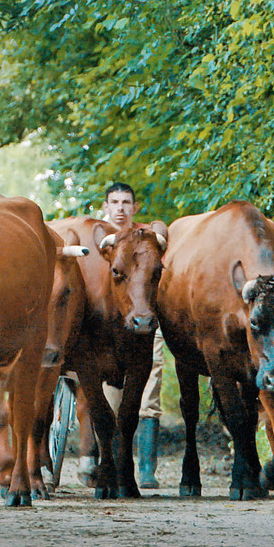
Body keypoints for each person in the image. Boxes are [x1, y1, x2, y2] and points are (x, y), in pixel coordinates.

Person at [101, 182, 165, 490]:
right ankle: (106, 460)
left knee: (149, 391)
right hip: (108, 328)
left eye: (127, 202)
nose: (121, 208)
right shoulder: (100, 236)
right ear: (106, 207)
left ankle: (147, 469)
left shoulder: (147, 238)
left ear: (135, 208)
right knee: (110, 398)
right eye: (115, 202)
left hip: (146, 321)